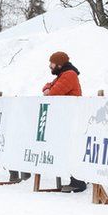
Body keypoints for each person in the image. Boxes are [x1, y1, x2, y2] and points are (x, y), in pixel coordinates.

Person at [44, 51, 87, 193]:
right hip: (67, 119)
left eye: (52, 63)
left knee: (73, 149)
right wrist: (48, 88)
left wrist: (49, 89)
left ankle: (78, 182)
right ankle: (76, 180)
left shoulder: (69, 75)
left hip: (72, 119)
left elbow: (53, 92)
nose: (50, 66)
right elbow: (48, 86)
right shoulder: (63, 74)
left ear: (59, 64)